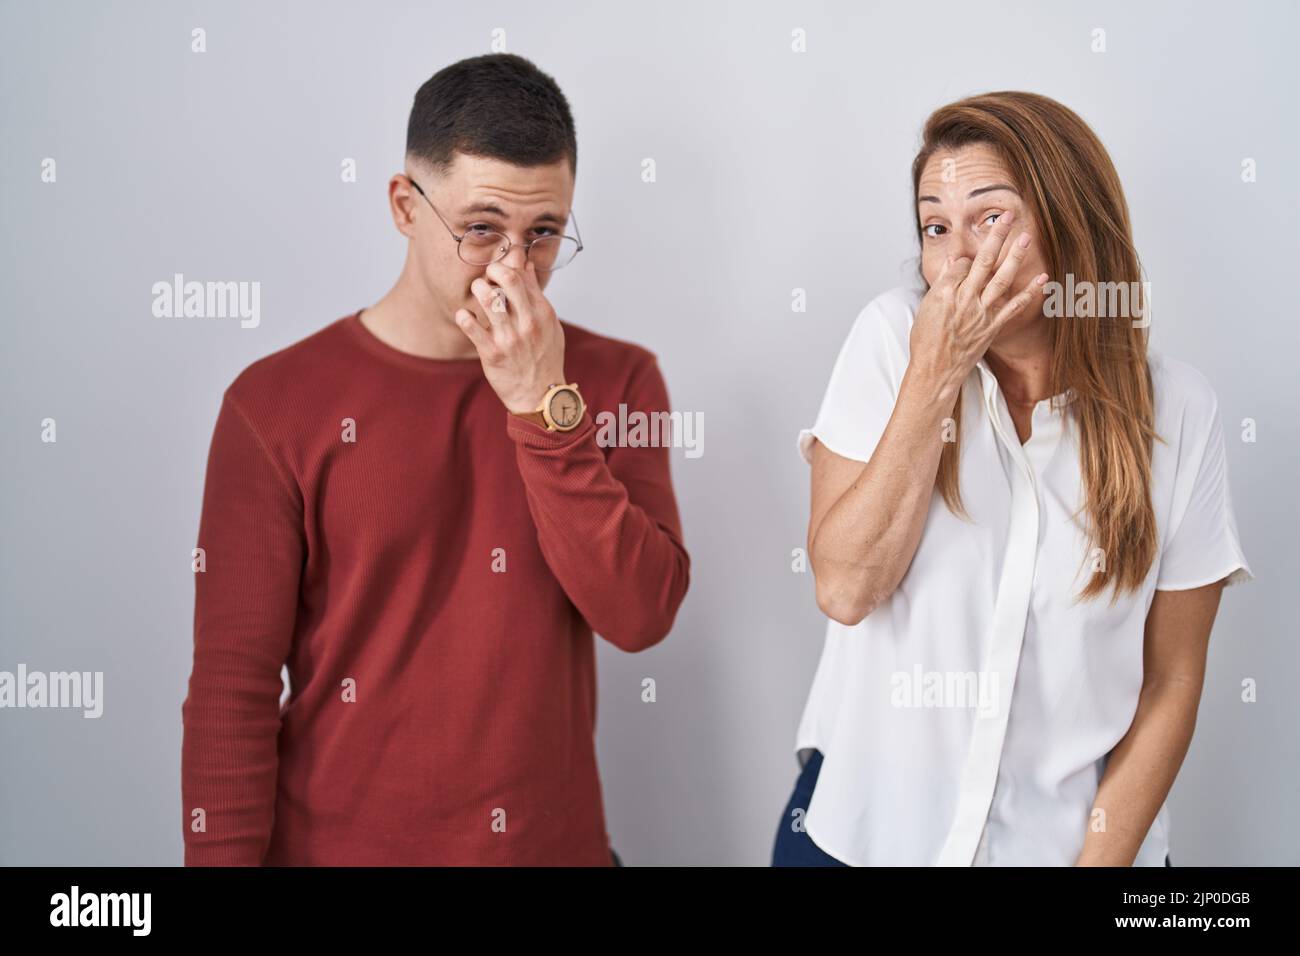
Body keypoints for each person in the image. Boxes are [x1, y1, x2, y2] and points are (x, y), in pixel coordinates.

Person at [182, 53, 689, 866]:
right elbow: (230, 695)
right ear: (403, 205)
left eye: (544, 233)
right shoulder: (273, 405)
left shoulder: (617, 380)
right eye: (481, 227)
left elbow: (640, 616)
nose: (512, 267)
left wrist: (543, 408)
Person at [774, 91, 1251, 867]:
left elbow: (1170, 685)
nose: (956, 258)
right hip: (864, 838)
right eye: (935, 226)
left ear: (1071, 224)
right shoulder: (893, 339)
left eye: (988, 217)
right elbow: (845, 588)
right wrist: (938, 368)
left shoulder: (1181, 410)